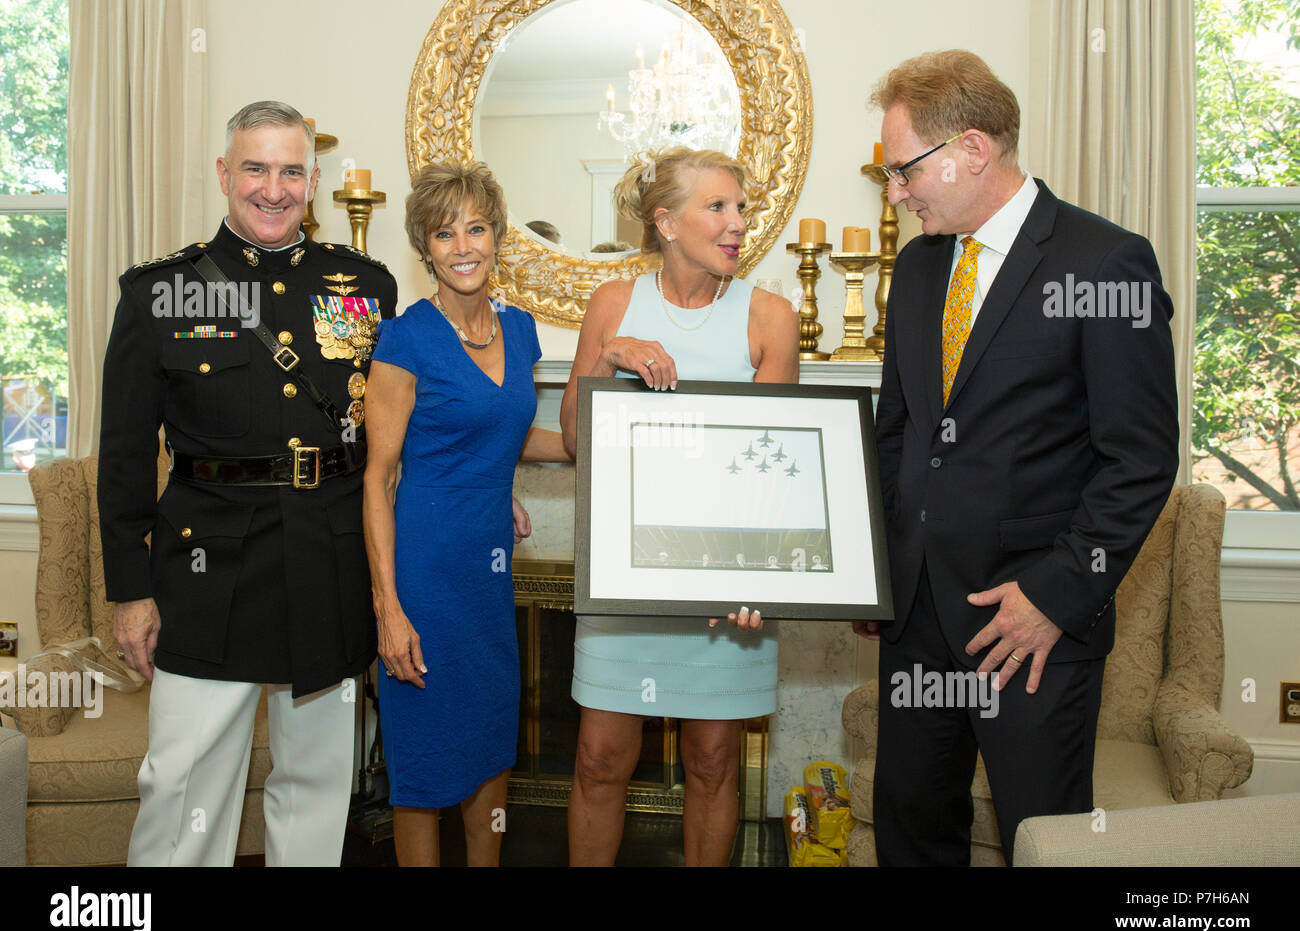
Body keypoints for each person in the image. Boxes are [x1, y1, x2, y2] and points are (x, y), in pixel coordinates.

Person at [856, 51, 1179, 864]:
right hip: (918, 621)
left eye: (902, 172)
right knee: (912, 833)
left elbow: (1138, 460)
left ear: (971, 148)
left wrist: (1054, 597)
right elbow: (898, 432)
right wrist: (876, 566)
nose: (895, 193)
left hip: (1027, 627)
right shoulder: (922, 263)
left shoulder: (1105, 263)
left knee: (1046, 844)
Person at [99, 100, 398, 865]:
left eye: (291, 170)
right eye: (256, 169)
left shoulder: (365, 287)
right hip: (208, 569)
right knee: (182, 787)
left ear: (315, 181)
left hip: (327, 561)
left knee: (317, 783)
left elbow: (392, 435)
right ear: (226, 174)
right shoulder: (159, 294)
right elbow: (126, 456)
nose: (274, 188)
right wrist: (130, 593)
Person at [559, 147, 799, 866]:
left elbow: (773, 473)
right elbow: (576, 440)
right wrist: (610, 353)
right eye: (717, 207)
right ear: (665, 221)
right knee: (600, 758)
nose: (738, 224)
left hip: (722, 588)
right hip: (625, 577)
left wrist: (754, 578)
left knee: (713, 762)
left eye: (742, 208)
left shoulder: (770, 317)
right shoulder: (612, 304)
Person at [363, 161, 569, 866]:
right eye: (443, 232)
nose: (462, 245)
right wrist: (388, 608)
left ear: (497, 235)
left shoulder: (522, 329)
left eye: (475, 227)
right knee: (423, 769)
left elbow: (506, 433)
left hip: (486, 579)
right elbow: (378, 475)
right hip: (423, 573)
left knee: (489, 750)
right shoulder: (406, 338)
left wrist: (605, 441)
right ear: (424, 246)